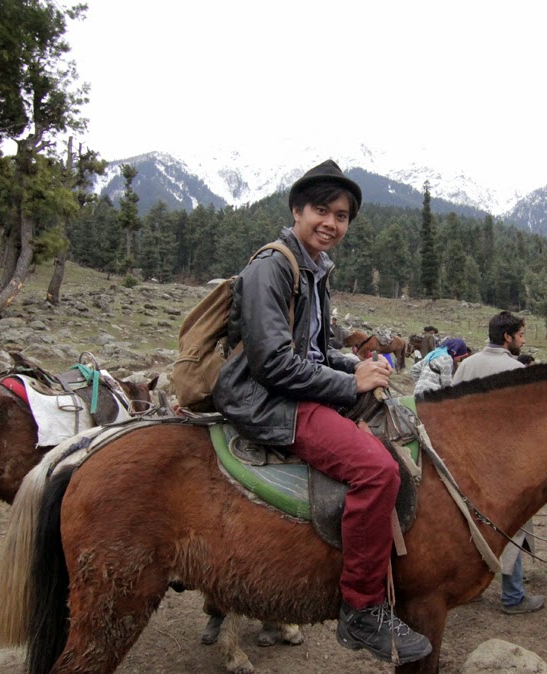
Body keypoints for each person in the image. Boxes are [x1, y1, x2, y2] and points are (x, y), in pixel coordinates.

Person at [213, 159, 431, 664]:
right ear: (296, 210)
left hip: (291, 387)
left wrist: (354, 364)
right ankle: (361, 607)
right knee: (377, 471)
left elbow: (311, 349)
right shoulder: (272, 266)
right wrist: (347, 380)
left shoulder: (313, 268)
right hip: (266, 399)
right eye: (321, 210)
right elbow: (272, 364)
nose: (331, 223)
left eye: (342, 215)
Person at [451, 311, 545, 615]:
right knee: (512, 527)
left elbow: (450, 407)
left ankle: (468, 587)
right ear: (507, 337)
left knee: (469, 523)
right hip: (503, 464)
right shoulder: (514, 368)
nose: (523, 339)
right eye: (521, 334)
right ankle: (513, 595)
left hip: (467, 459)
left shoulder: (467, 364)